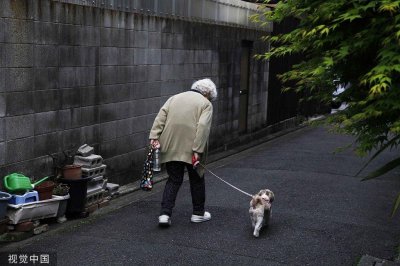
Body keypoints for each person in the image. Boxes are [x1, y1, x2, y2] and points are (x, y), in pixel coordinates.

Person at [149, 78, 217, 227]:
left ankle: (164, 214)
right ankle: (198, 214)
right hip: (191, 149)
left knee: (174, 179)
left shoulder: (174, 98)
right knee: (197, 179)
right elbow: (203, 127)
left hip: (170, 145)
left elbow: (161, 117)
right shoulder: (206, 104)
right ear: (207, 93)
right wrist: (198, 150)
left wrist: (154, 136)